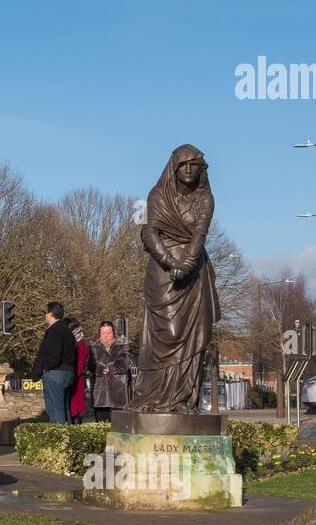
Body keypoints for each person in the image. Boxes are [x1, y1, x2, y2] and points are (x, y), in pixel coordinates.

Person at [128, 145, 219, 413]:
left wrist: (187, 264)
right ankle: (153, 395)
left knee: (194, 335)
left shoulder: (205, 199)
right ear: (174, 168)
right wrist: (170, 262)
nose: (189, 170)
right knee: (167, 331)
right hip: (162, 270)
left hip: (192, 274)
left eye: (195, 165)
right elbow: (148, 232)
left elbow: (199, 235)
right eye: (184, 165)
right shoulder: (157, 195)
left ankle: (181, 399)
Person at [30, 302, 78, 424]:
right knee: (64, 408)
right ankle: (69, 439)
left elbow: (53, 355)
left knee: (55, 410)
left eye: (46, 313)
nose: (45, 316)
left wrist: (44, 368)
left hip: (55, 373)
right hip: (68, 373)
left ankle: (60, 440)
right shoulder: (67, 330)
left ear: (50, 314)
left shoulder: (55, 330)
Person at [88, 320, 131, 423]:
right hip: (99, 395)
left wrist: (111, 368)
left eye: (108, 333)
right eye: (103, 333)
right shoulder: (93, 347)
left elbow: (124, 363)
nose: (105, 336)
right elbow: (90, 364)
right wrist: (101, 368)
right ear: (99, 333)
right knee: (101, 427)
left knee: (119, 426)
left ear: (113, 333)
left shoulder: (122, 346)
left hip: (117, 395)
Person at [67, 318, 90, 424]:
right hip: (74, 379)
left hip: (76, 381)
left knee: (74, 409)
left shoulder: (80, 345)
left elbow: (79, 366)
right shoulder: (74, 343)